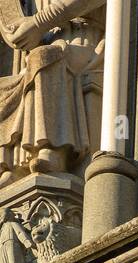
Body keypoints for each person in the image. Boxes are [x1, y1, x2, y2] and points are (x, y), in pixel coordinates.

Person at [0, 1, 105, 184]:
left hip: (85, 42)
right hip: (38, 50)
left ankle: (53, 149)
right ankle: (14, 164)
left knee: (44, 58)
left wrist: (39, 22)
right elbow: (12, 26)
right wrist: (15, 30)